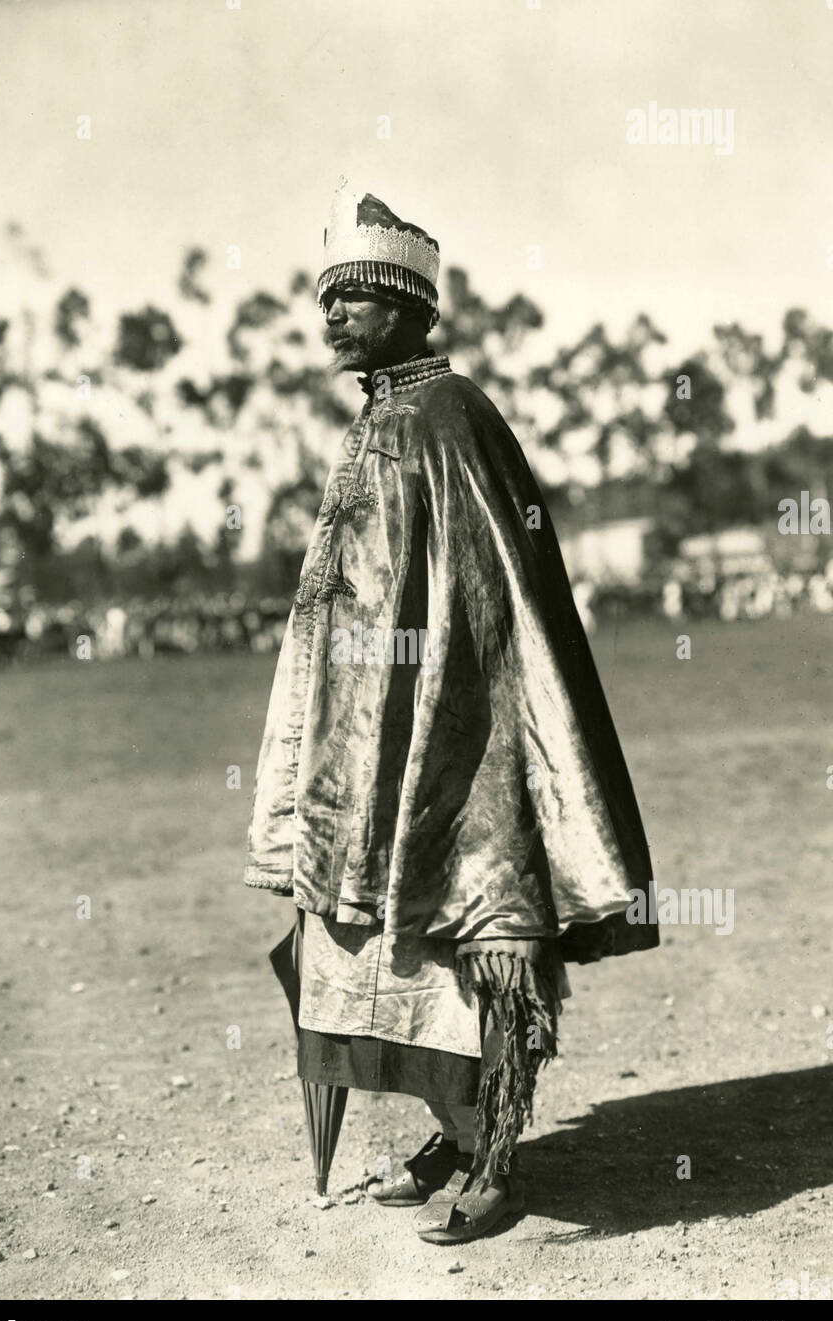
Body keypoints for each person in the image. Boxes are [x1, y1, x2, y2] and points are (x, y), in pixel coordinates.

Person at [245, 183, 657, 1244]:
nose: (330, 316)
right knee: (359, 939)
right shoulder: (379, 416)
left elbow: (487, 604)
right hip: (361, 740)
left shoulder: (448, 417)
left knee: (473, 937)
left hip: (450, 739)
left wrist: (439, 740)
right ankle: (455, 1130)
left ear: (411, 307)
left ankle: (494, 1148)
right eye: (326, 298)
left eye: (355, 299)